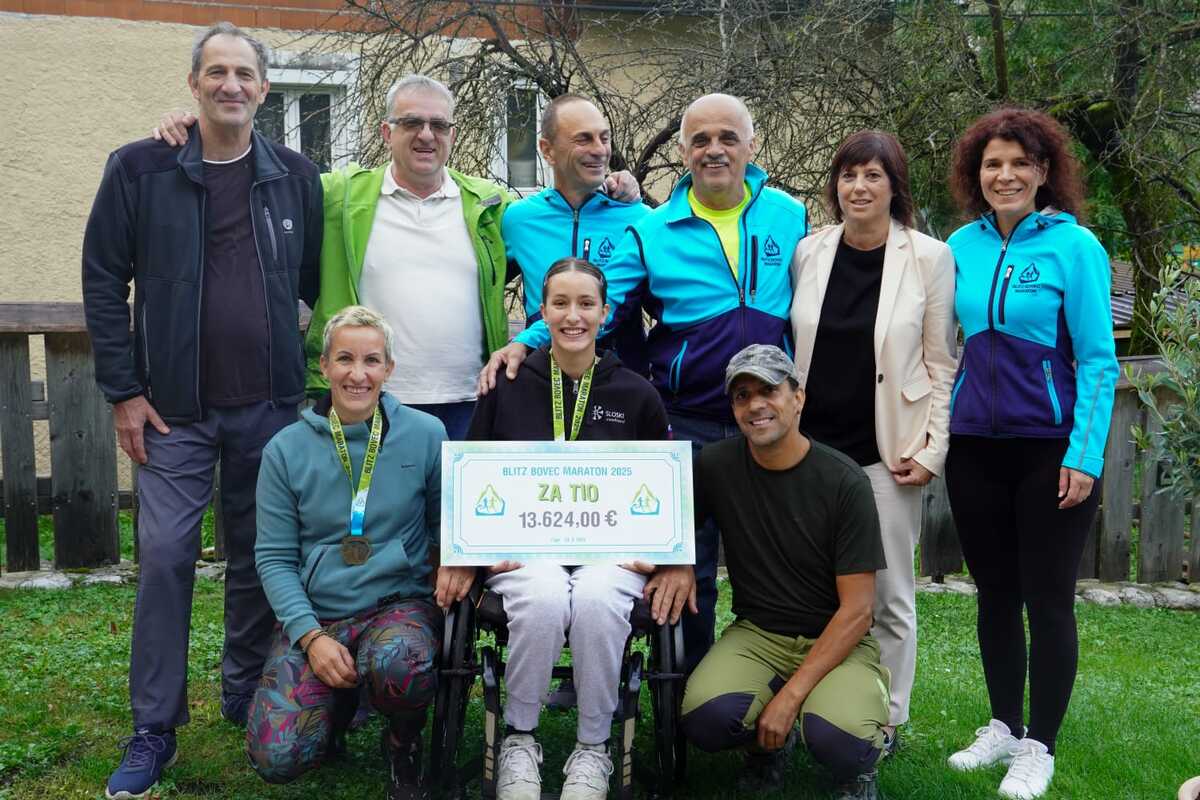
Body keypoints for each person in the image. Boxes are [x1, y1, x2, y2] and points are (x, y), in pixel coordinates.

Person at [482, 93, 809, 670]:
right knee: (690, 570)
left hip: (770, 418)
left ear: (751, 146)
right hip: (687, 416)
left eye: (728, 138)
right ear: (683, 151)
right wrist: (524, 341)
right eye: (701, 140)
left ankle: (785, 692)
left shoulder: (789, 215)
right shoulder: (652, 230)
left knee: (783, 563)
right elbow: (591, 303)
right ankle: (697, 701)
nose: (714, 150)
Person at [81, 22, 323, 800]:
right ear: (193, 84)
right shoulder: (142, 169)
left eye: (244, 73)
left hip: (270, 408)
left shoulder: (293, 173)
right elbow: (102, 281)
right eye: (215, 72)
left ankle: (244, 690)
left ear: (263, 85)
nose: (231, 86)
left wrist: (293, 331)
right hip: (174, 413)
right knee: (165, 558)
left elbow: (310, 274)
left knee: (260, 559)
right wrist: (124, 390)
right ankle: (154, 725)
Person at [154, 80, 640, 440]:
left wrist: (622, 188)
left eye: (439, 125)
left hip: (471, 400)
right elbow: (265, 182)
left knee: (456, 544)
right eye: (412, 123)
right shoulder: (339, 196)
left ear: (452, 133)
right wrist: (209, 131)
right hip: (369, 398)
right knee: (374, 540)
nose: (426, 135)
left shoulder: (492, 207)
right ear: (387, 131)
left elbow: (564, 234)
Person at [437, 259, 696, 800]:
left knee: (602, 599)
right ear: (543, 311)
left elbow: (666, 486)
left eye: (585, 304)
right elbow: (472, 475)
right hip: (525, 550)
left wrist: (672, 556)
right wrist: (465, 551)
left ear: (605, 313)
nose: (572, 316)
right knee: (547, 594)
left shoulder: (637, 394)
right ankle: (520, 738)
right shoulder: (507, 386)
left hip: (611, 552)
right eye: (560, 303)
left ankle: (592, 748)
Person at [942, 107, 1118, 800]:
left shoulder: (1076, 249)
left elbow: (1100, 363)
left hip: (1050, 452)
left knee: (1047, 603)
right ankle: (1003, 726)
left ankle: (1039, 746)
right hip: (975, 450)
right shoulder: (960, 246)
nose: (1006, 174)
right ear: (975, 174)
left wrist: (1085, 455)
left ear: (1045, 171)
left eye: (1020, 163)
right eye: (993, 164)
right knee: (994, 596)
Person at [790, 130, 956, 747]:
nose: (859, 187)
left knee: (888, 596)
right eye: (848, 175)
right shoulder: (811, 252)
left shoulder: (929, 258)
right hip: (810, 453)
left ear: (895, 186)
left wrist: (933, 447)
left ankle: (885, 720)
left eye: (873, 176)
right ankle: (808, 701)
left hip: (889, 455)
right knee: (811, 590)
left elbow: (941, 362)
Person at [248, 305, 444, 800]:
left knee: (400, 663)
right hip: (322, 614)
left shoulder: (427, 436)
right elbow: (273, 557)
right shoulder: (284, 450)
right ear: (324, 367)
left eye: (372, 360)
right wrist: (310, 637)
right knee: (277, 757)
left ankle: (403, 741)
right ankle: (333, 711)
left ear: (389, 369)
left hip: (398, 604)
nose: (358, 374)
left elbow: (448, 530)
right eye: (345, 359)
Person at [680, 344, 889, 800]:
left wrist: (790, 697)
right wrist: (676, 566)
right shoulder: (715, 465)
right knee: (705, 719)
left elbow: (857, 611)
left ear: (798, 398)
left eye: (770, 390)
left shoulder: (844, 481)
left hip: (838, 637)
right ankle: (768, 748)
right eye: (742, 395)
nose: (755, 404)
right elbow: (672, 532)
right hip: (759, 634)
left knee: (841, 740)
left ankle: (862, 758)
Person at [501, 94, 649, 358]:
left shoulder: (640, 220)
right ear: (547, 150)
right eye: (584, 139)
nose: (600, 150)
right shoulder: (518, 220)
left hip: (623, 388)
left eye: (604, 138)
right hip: (543, 382)